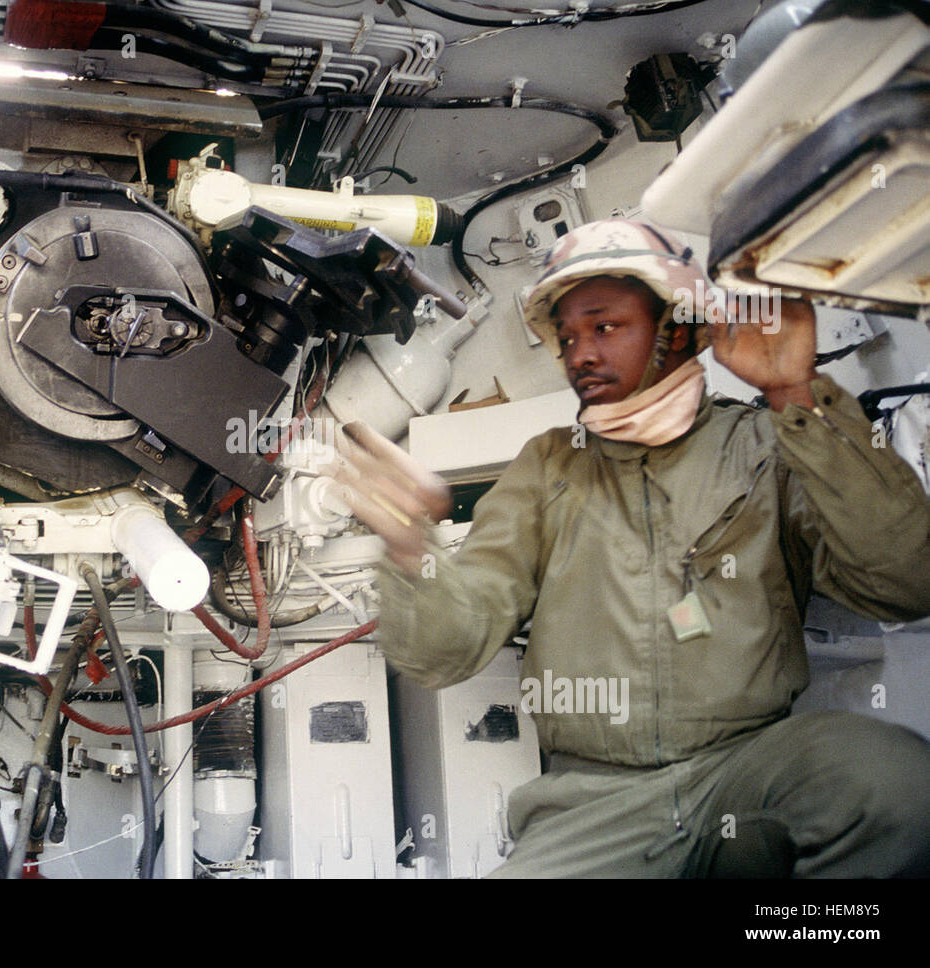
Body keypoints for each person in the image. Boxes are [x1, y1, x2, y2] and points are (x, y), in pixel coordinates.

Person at [336, 218, 930, 877]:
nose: (579, 353)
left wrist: (797, 397)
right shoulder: (548, 466)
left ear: (677, 327)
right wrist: (412, 549)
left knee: (894, 786)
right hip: (595, 807)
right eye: (566, 337)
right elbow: (447, 647)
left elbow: (905, 583)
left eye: (604, 326)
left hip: (746, 772)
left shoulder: (768, 444)